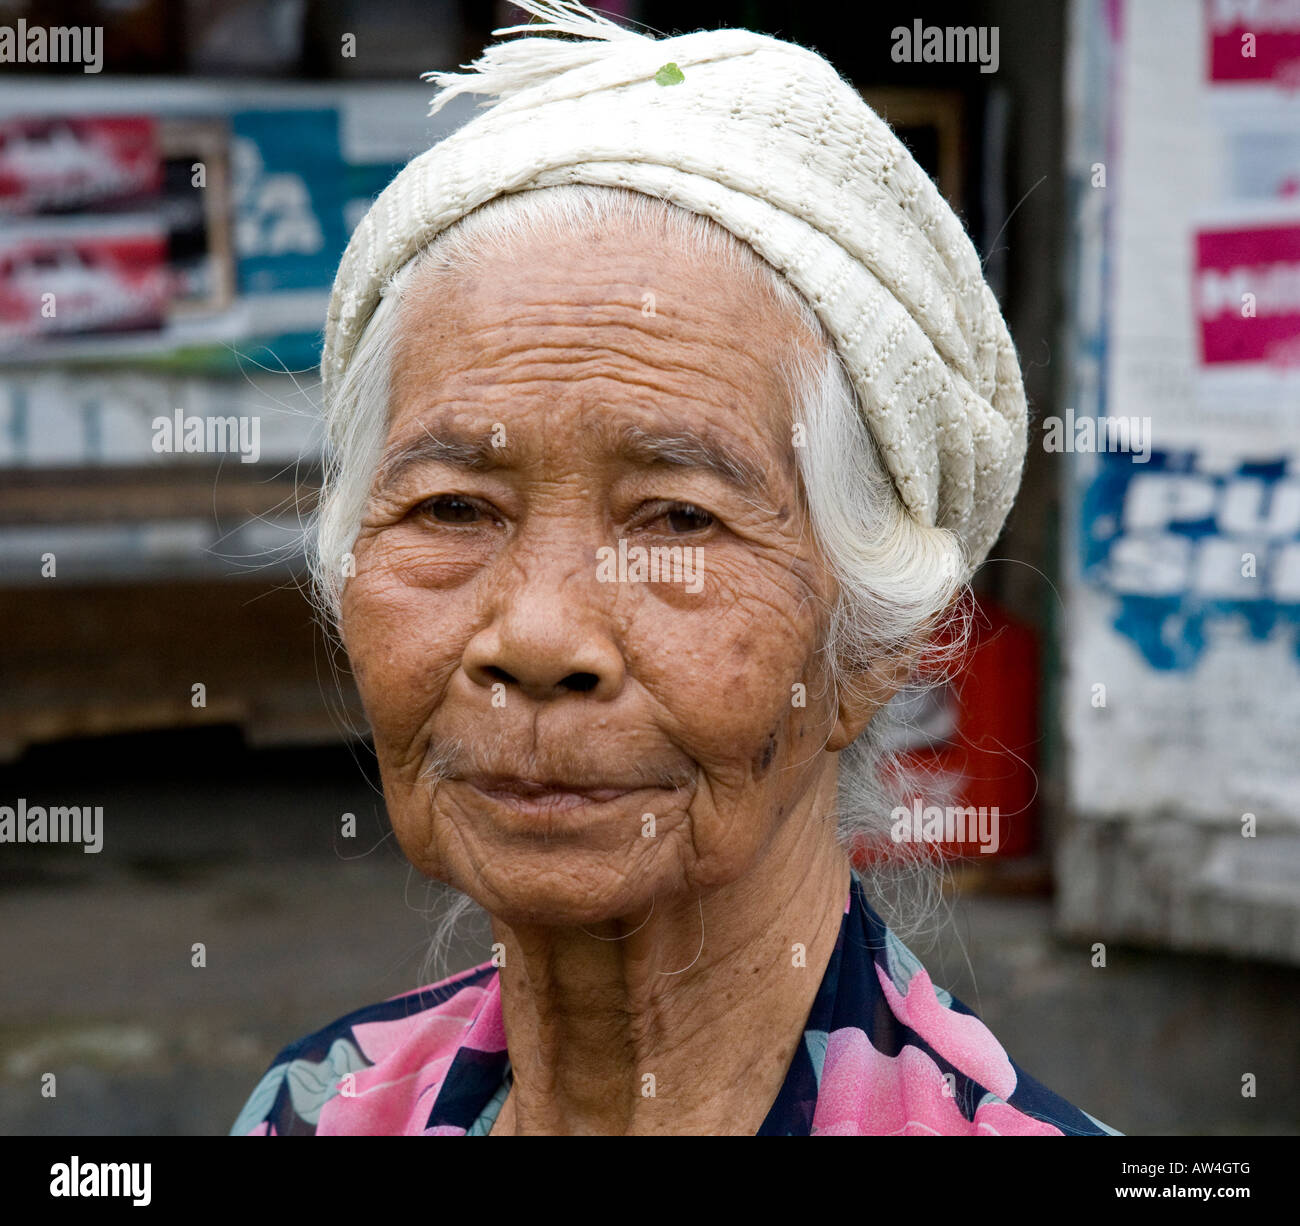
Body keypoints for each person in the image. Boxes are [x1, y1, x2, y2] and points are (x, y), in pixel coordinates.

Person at [231, 1, 1117, 1136]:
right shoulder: (314, 1108)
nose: (537, 638)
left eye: (680, 520)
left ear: (872, 645)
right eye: (451, 507)